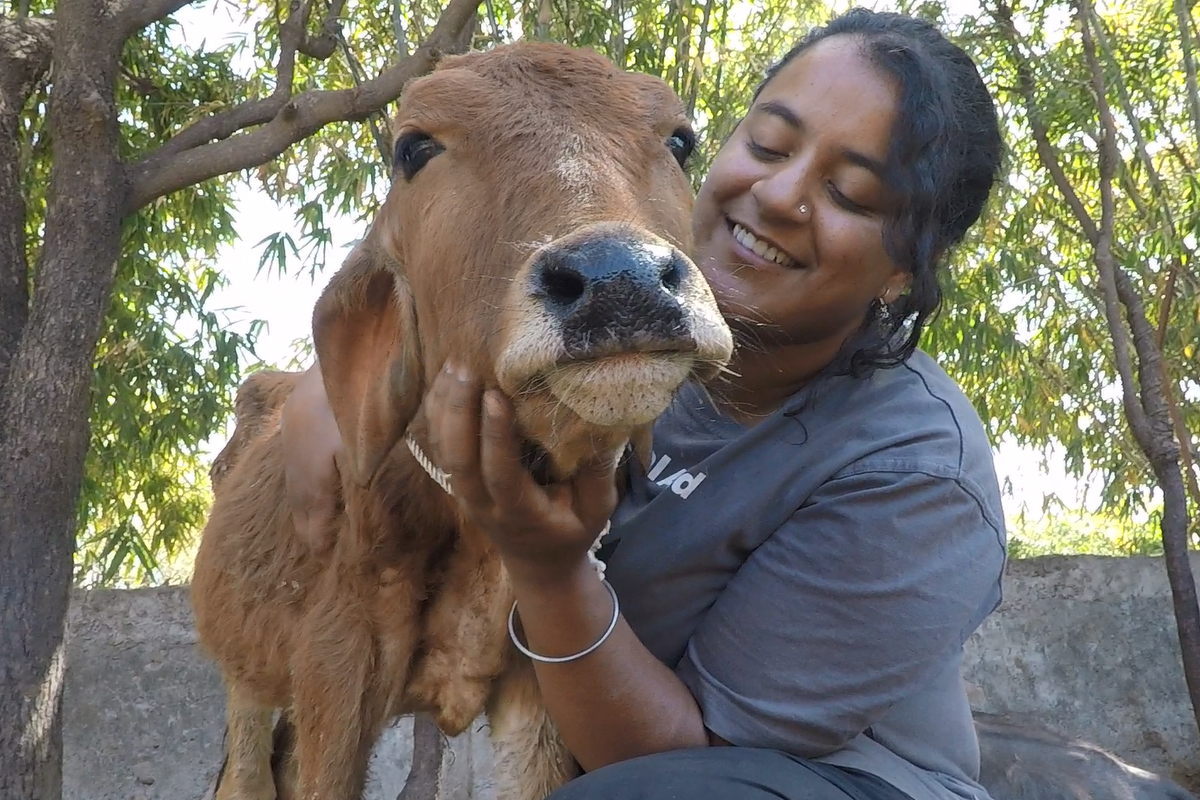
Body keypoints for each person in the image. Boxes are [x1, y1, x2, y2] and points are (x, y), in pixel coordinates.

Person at [280, 8, 1008, 800]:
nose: (778, 195)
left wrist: (548, 568)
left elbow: (683, 760)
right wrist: (315, 392)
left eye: (851, 192)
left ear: (908, 267)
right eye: (766, 143)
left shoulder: (917, 474)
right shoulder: (597, 327)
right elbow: (442, 313)